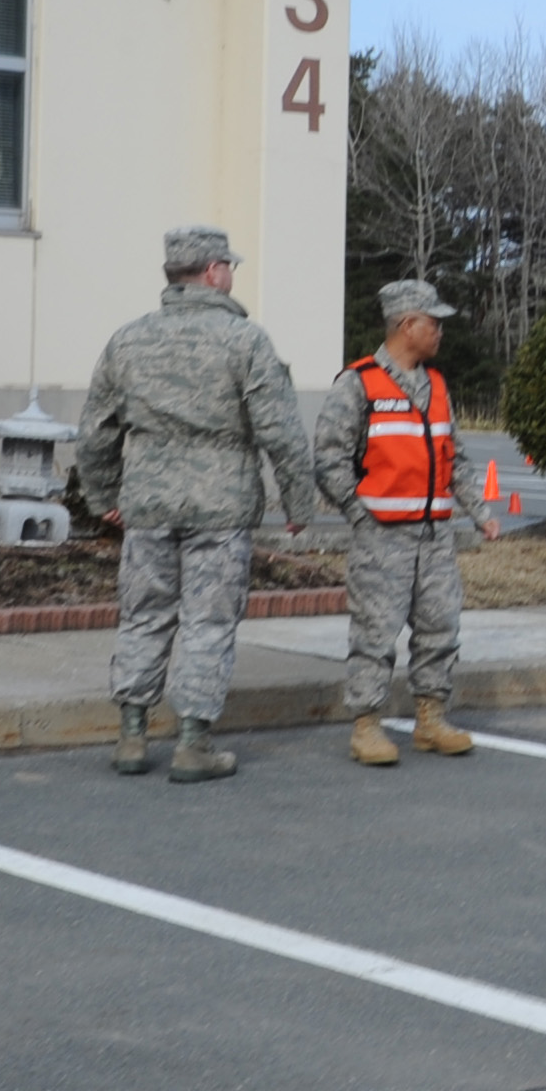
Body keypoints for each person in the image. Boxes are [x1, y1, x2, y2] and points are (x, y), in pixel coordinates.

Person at [82, 224, 313, 779]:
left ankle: (132, 737)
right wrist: (298, 501)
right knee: (208, 623)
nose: (232, 275)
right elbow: (279, 429)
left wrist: (102, 494)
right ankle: (193, 743)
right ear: (212, 272)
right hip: (220, 504)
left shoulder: (128, 340)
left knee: (142, 616)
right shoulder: (246, 341)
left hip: (148, 503)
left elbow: (95, 430)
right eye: (228, 266)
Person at [315, 278, 472, 767]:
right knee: (375, 634)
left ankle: (431, 719)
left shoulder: (438, 385)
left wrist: (482, 514)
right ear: (408, 325)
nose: (440, 332)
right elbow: (328, 458)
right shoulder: (358, 383)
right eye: (433, 323)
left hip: (434, 535)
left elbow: (457, 459)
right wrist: (359, 512)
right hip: (382, 536)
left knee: (440, 627)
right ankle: (366, 727)